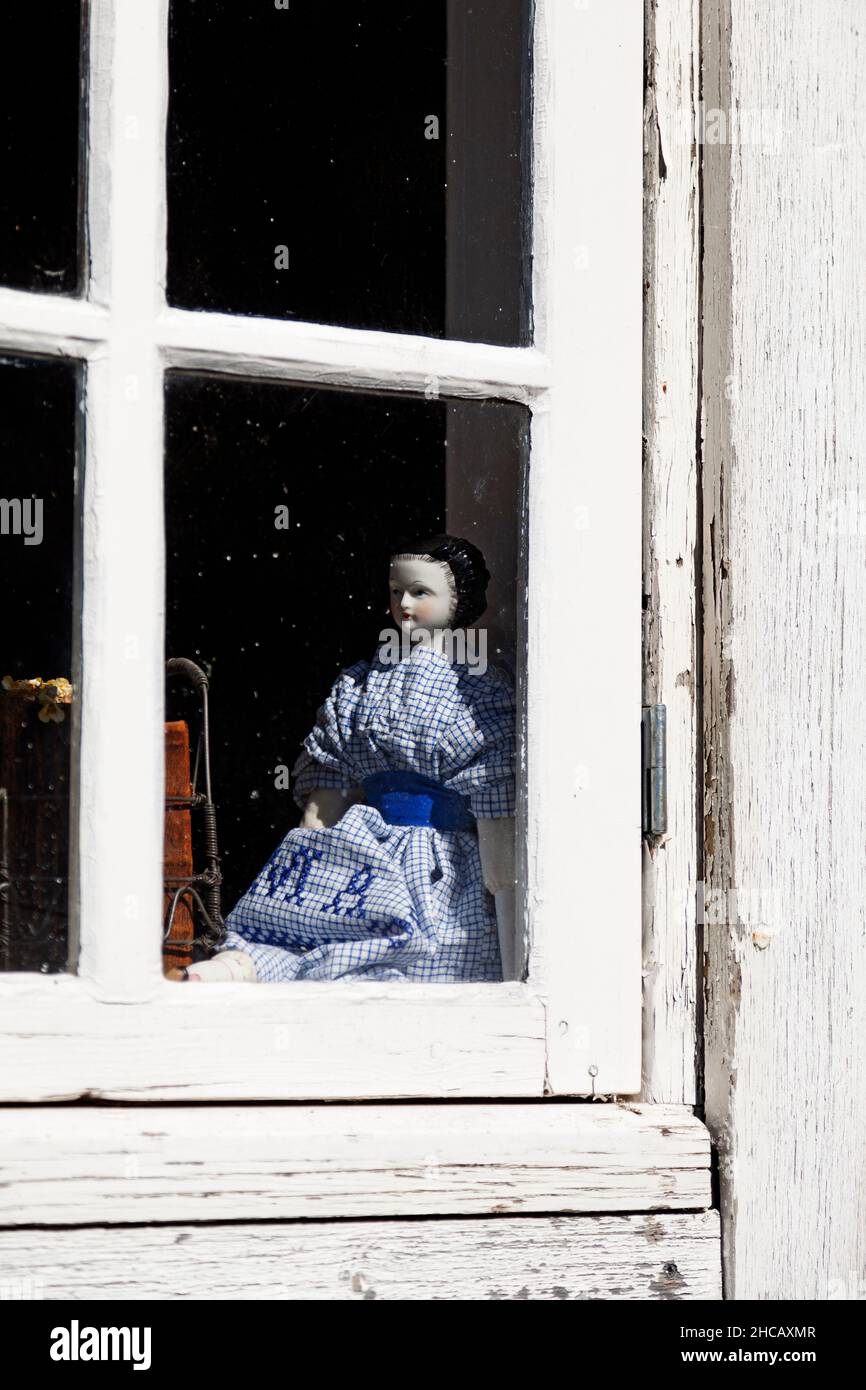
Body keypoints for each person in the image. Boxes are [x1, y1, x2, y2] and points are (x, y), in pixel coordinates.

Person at [170, 534, 516, 983]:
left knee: (414, 947)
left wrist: (505, 891)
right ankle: (242, 965)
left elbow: (493, 797)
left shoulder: (479, 693)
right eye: (396, 592)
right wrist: (307, 849)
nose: (404, 603)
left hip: (436, 862)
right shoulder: (361, 683)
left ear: (459, 600)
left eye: (420, 592)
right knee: (303, 918)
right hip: (360, 838)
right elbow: (329, 786)